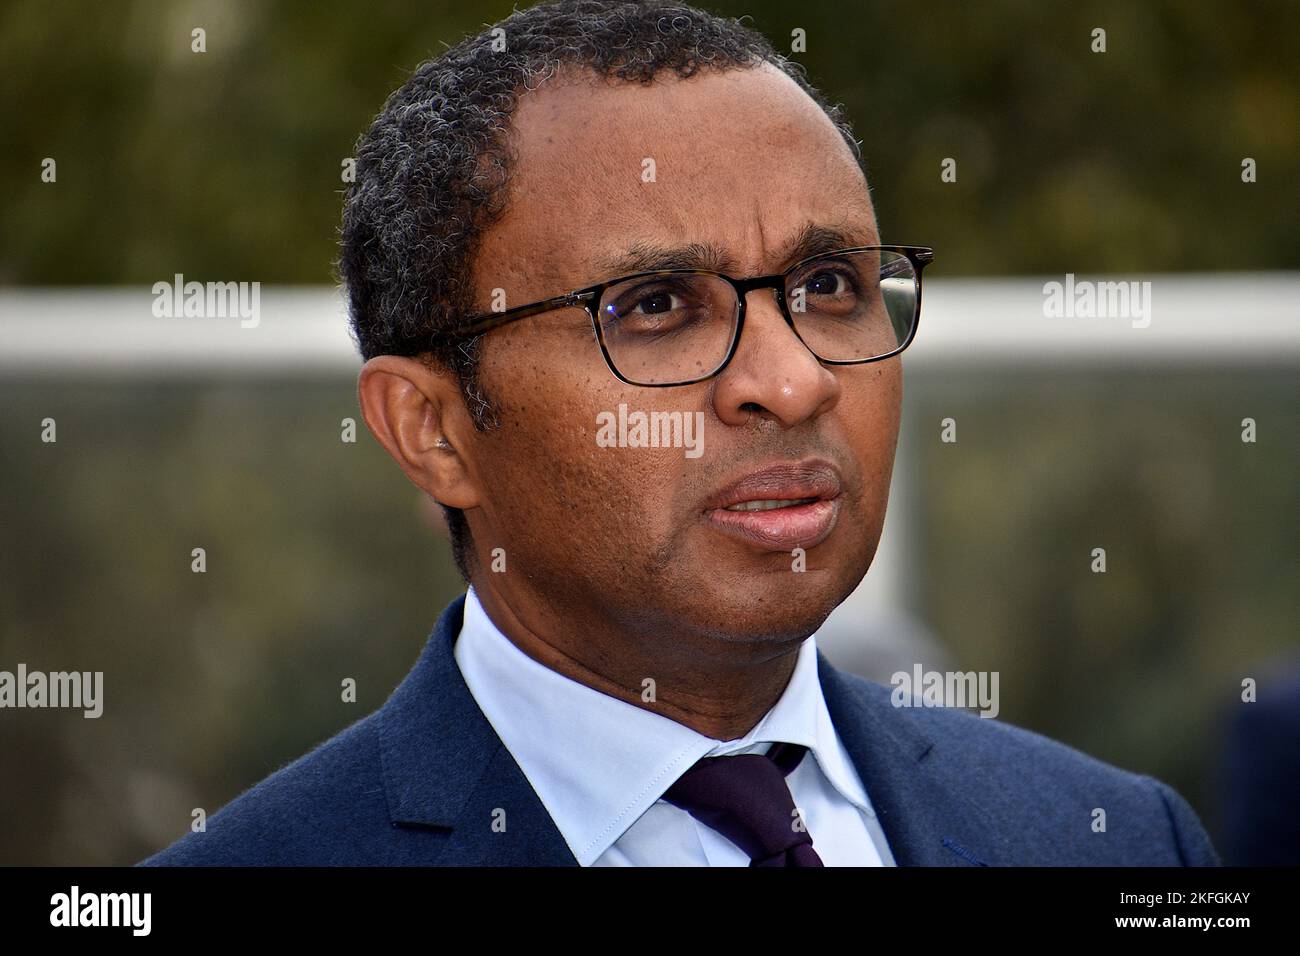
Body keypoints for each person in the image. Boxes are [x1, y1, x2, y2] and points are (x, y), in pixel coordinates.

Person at [141, 0, 1219, 867]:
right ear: (432, 431)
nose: (791, 379)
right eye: (654, 306)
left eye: (831, 282)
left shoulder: (1118, 838)